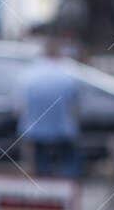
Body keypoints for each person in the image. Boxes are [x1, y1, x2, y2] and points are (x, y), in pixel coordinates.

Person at [17, 30, 83, 179]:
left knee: (41, 170)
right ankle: (67, 193)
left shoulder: (29, 73)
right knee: (68, 167)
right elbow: (76, 102)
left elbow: (19, 104)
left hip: (36, 130)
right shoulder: (69, 71)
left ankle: (45, 195)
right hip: (63, 129)